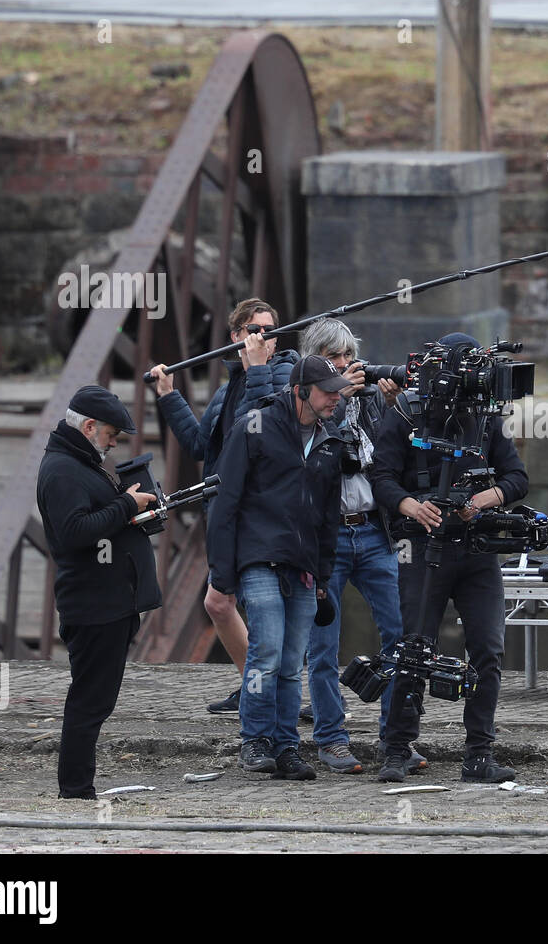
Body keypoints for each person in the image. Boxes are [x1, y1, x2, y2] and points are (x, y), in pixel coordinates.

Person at [370, 332, 529, 784]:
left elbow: (518, 478)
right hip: (422, 548)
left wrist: (484, 498)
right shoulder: (403, 413)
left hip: (476, 549)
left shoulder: (485, 420)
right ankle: (397, 749)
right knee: (413, 648)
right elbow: (381, 477)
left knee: (487, 650)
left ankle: (479, 753)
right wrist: (410, 506)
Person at [147, 297, 299, 714]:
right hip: (226, 514)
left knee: (265, 605)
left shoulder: (286, 375)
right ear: (236, 337)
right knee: (220, 603)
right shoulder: (228, 387)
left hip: (263, 514)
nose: (264, 339)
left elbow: (262, 429)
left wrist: (259, 371)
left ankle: (279, 694)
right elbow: (201, 445)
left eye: (270, 331)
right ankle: (253, 683)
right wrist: (169, 397)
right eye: (255, 331)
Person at [206, 355, 350, 780]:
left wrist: (323, 576)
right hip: (258, 558)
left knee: (290, 664)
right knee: (266, 654)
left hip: (303, 568)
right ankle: (255, 741)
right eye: (328, 391)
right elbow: (224, 501)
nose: (336, 399)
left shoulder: (330, 441)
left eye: (338, 391)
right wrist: (222, 574)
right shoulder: (255, 426)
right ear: (301, 389)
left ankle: (287, 746)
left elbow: (329, 518)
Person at [296, 318, 427, 774]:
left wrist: (394, 407)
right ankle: (331, 739)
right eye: (334, 359)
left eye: (350, 358)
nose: (346, 367)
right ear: (313, 362)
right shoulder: (305, 407)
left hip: (374, 532)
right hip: (327, 538)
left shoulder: (372, 400)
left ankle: (396, 739)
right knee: (322, 645)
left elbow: (395, 459)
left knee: (402, 636)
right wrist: (339, 397)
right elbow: (302, 461)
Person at [36, 385, 160, 799]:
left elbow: (95, 523)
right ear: (89, 426)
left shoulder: (78, 462)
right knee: (89, 702)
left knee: (94, 700)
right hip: (93, 606)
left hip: (109, 602)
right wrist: (125, 505)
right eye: (111, 435)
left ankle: (77, 785)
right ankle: (75, 789)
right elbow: (75, 533)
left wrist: (131, 511)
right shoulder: (63, 470)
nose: (113, 443)